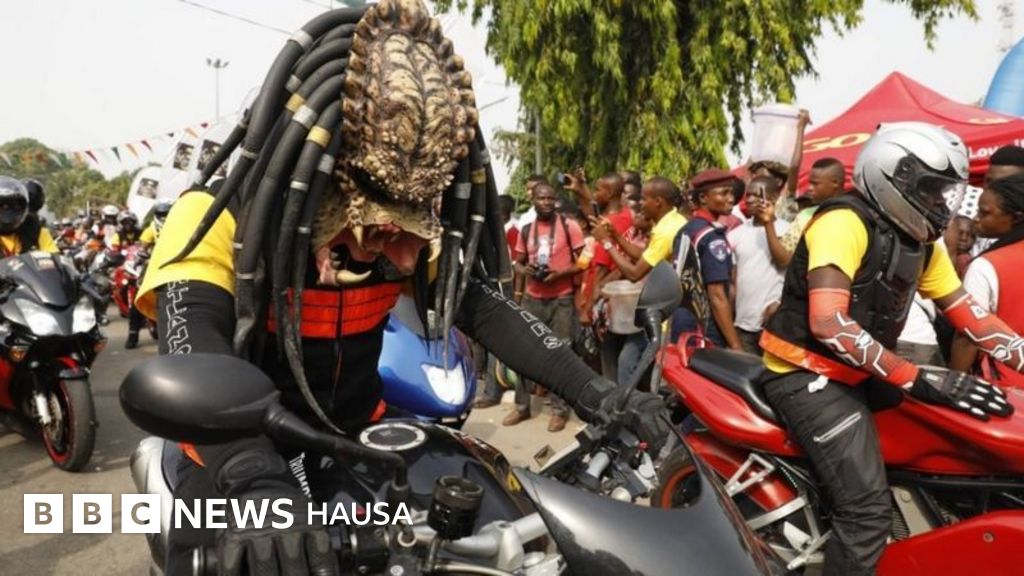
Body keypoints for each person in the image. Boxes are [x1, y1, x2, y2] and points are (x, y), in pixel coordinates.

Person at [134, 4, 668, 573]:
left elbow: (487, 309)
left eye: (408, 218)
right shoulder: (213, 218)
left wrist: (599, 394)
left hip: (359, 437)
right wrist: (250, 476)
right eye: (369, 218)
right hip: (229, 458)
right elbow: (194, 349)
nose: (388, 246)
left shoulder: (404, 237)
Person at [759, 122, 1022, 575]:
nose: (942, 204)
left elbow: (969, 314)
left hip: (864, 374)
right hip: (807, 375)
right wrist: (917, 377)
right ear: (896, 176)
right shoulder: (844, 221)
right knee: (865, 514)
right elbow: (828, 321)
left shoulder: (920, 242)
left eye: (947, 193)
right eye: (933, 190)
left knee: (954, 460)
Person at [507, 183, 585, 432]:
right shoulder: (526, 229)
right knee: (522, 352)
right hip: (533, 298)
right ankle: (521, 406)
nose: (547, 202)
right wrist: (524, 270)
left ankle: (559, 411)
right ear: (533, 200)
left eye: (551, 198)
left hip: (561, 299)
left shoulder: (568, 226)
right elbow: (517, 264)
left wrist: (560, 274)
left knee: (559, 354)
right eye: (542, 198)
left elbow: (584, 261)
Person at [950, 174, 1024, 387]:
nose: (975, 218)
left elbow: (968, 336)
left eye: (985, 213)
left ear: (1016, 218)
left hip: (1005, 385)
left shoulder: (986, 266)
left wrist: (955, 386)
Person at [672, 168, 742, 349]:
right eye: (724, 193)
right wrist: (736, 345)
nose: (731, 199)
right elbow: (717, 296)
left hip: (682, 321)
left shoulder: (688, 230)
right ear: (703, 198)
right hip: (703, 329)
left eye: (732, 193)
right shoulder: (712, 238)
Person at [729, 176, 790, 354]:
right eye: (748, 195)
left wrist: (768, 223)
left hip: (773, 325)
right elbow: (732, 279)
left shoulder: (787, 229)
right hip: (742, 325)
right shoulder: (736, 234)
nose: (749, 199)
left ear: (773, 198)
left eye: (757, 195)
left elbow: (784, 261)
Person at [591, 176, 686, 282]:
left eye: (644, 199)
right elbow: (643, 255)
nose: (640, 203)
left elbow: (634, 274)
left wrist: (606, 242)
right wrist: (614, 234)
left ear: (658, 202)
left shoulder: (666, 232)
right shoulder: (671, 219)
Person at [764, 157, 846, 268]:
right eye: (809, 183)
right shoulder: (805, 216)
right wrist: (768, 223)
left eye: (815, 184)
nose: (810, 188)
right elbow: (784, 260)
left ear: (835, 182)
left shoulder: (856, 213)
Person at [0, 176, 58, 255]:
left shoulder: (36, 231)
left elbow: (55, 259)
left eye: (16, 206)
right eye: (3, 206)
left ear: (25, 208)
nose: (8, 211)